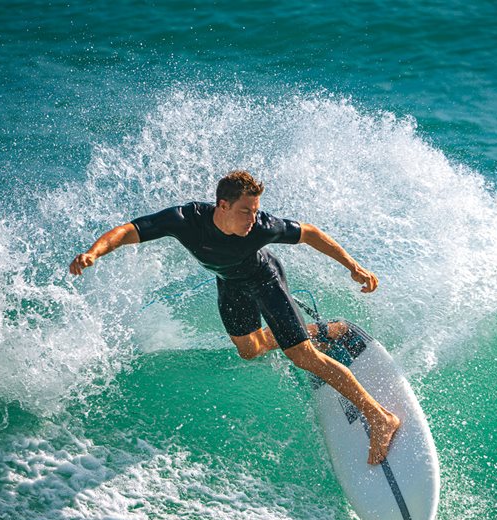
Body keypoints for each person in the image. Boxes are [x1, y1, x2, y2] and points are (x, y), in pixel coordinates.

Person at [69, 170, 401, 465]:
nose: (252, 219)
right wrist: (93, 253)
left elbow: (310, 233)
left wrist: (354, 268)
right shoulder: (185, 220)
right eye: (245, 211)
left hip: (265, 279)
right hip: (230, 284)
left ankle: (379, 416)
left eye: (255, 211)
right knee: (250, 349)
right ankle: (327, 330)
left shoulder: (261, 228)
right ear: (222, 206)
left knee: (303, 357)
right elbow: (131, 230)